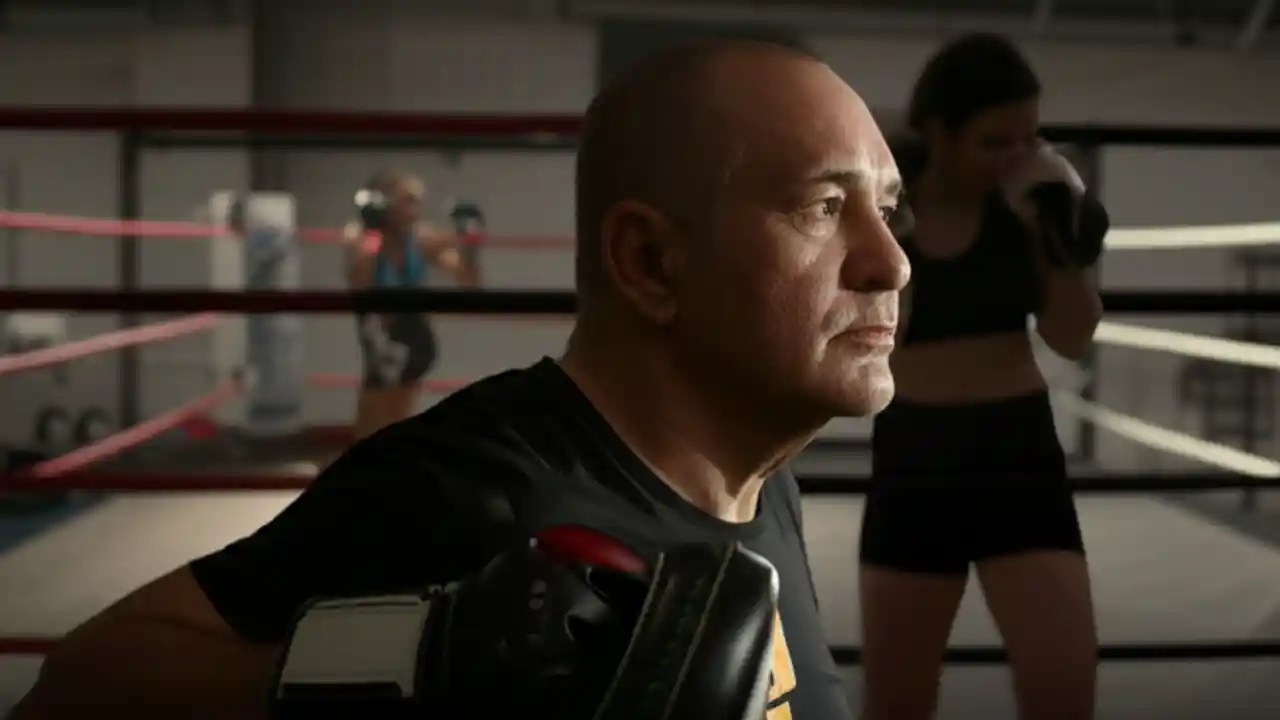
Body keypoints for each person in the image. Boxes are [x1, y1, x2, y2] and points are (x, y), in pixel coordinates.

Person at [13, 39, 909, 720]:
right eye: (824, 209)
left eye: (889, 208)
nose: (892, 262)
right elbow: (74, 688)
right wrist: (419, 658)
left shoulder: (763, 477)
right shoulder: (474, 492)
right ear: (649, 263)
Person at [858, 33, 1107, 720]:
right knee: (897, 700)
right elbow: (882, 342)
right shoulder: (887, 206)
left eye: (1029, 137)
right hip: (917, 456)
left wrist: (1053, 233)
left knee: (1063, 688)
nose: (1018, 156)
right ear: (940, 132)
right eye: (996, 141)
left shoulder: (1039, 204)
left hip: (1018, 451)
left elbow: (1072, 334)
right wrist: (887, 222)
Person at [344, 169, 480, 440]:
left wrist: (469, 242)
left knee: (396, 419)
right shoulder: (360, 238)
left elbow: (469, 280)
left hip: (413, 336)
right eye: (408, 200)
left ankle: (387, 474)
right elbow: (359, 287)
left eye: (417, 200)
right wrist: (374, 230)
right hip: (381, 335)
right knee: (372, 418)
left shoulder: (421, 240)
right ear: (385, 203)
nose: (416, 208)